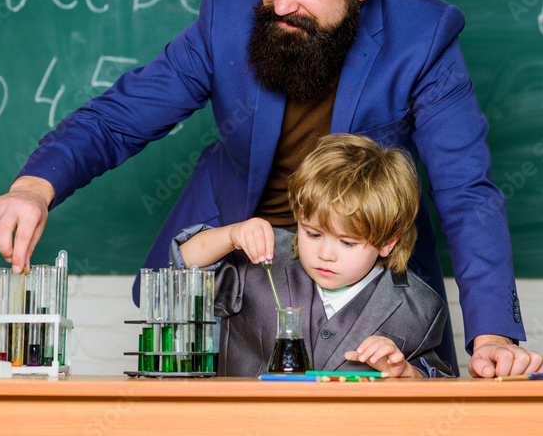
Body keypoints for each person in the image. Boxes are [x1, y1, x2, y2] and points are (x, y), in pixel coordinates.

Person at [0, 0, 543, 377]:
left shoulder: (424, 36)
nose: (280, 3)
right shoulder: (225, 17)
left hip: (363, 293)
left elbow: (467, 191)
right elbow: (119, 117)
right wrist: (34, 188)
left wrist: (494, 333)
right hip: (236, 281)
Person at [172, 134, 453, 378]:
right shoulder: (259, 261)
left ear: (387, 243)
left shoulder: (421, 308)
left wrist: (404, 372)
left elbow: (437, 386)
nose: (325, 254)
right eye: (313, 234)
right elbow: (180, 269)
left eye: (348, 243)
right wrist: (230, 236)